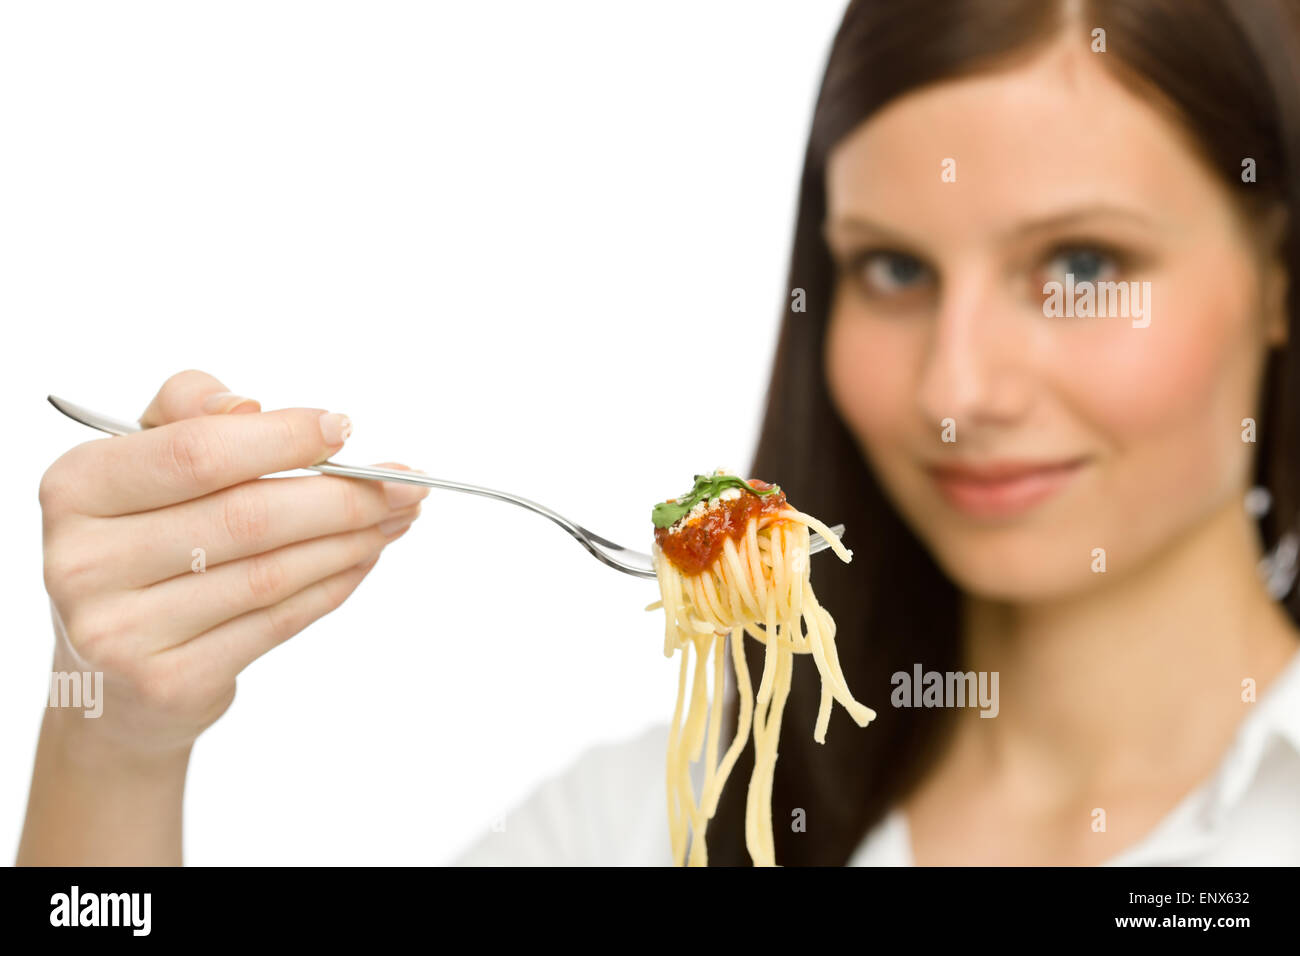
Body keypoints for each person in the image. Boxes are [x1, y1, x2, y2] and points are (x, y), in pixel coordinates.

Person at [20, 0, 1300, 866]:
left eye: (1079, 263)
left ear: (1279, 272)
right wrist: (115, 737)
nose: (955, 386)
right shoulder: (646, 823)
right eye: (894, 271)